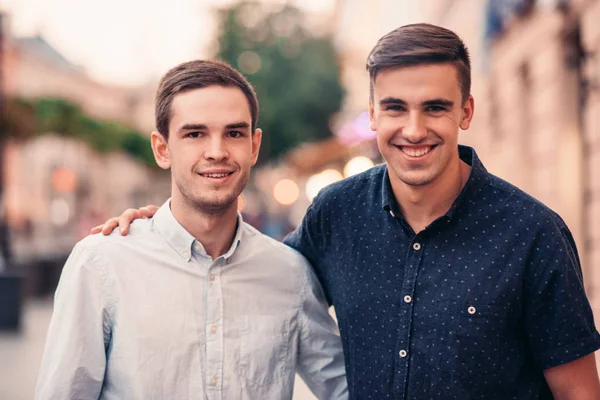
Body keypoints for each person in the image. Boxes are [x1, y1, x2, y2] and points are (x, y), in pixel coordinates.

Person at [95, 24, 600, 399]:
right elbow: (248, 271)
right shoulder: (336, 213)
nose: (415, 128)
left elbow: (579, 392)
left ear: (466, 111)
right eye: (396, 107)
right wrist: (161, 226)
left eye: (437, 108)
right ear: (374, 114)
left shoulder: (532, 234)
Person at [36, 60, 347, 400]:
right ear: (162, 148)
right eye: (195, 134)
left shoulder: (289, 274)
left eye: (234, 133)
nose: (217, 152)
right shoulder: (100, 264)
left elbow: (348, 389)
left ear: (254, 146)